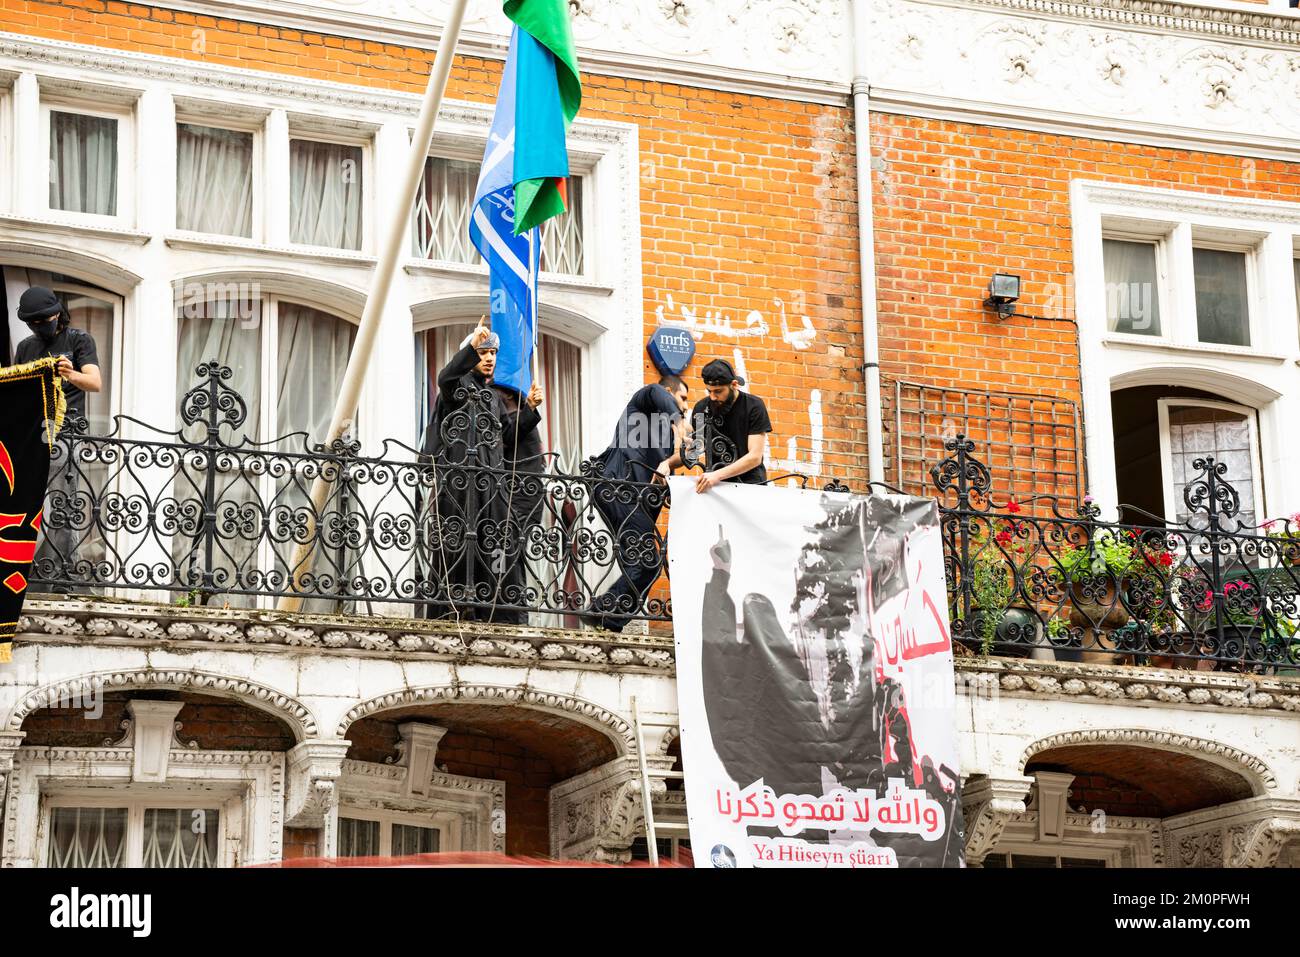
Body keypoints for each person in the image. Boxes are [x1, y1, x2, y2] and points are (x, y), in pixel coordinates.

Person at [418, 318, 541, 621]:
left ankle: (495, 612)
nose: (489, 359)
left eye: (492, 354)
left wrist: (529, 410)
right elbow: (445, 378)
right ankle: (451, 610)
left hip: (491, 485)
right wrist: (470, 348)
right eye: (482, 353)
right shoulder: (456, 387)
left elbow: (506, 435)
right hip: (460, 484)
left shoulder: (492, 398)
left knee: (495, 545)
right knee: (456, 545)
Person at [582, 374, 689, 632]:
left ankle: (609, 620)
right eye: (682, 398)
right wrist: (680, 419)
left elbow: (680, 462)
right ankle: (601, 611)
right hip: (618, 486)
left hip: (634, 498)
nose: (685, 405)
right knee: (646, 561)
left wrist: (673, 461)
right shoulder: (644, 402)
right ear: (668, 391)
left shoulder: (668, 438)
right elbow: (655, 392)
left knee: (647, 565)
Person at [13, 287, 101, 587]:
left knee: (64, 504)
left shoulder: (78, 340)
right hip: (32, 434)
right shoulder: (26, 347)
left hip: (66, 433)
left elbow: (94, 382)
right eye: (31, 322)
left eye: (42, 320)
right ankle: (43, 570)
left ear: (56, 314)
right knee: (26, 505)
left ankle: (55, 576)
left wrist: (69, 373)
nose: (37, 326)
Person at [685, 359, 771, 493]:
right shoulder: (702, 408)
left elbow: (755, 457)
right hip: (715, 488)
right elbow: (696, 450)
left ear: (734, 385)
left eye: (718, 391)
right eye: (709, 391)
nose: (712, 397)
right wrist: (669, 461)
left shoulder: (754, 406)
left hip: (751, 486)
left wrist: (717, 475)